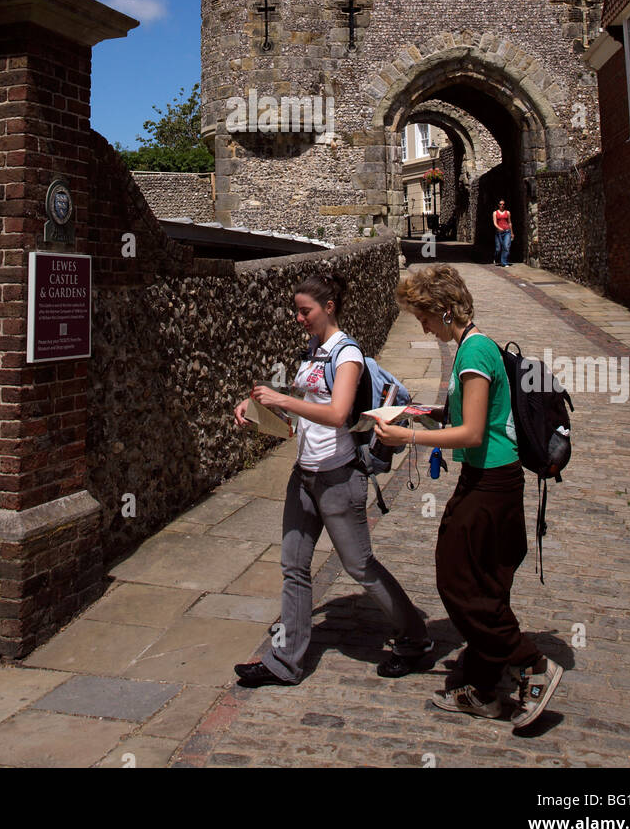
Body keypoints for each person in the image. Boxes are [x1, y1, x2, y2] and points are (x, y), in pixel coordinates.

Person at [371, 264, 563, 728]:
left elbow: (475, 432)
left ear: (445, 310)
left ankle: (532, 664)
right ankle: (482, 688)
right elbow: (466, 415)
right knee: (487, 583)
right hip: (493, 480)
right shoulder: (472, 348)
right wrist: (419, 413)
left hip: (490, 483)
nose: (421, 325)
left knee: (456, 579)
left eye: (424, 316)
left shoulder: (475, 351)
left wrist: (407, 441)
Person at [232, 272, 432, 687]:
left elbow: (338, 413)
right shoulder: (314, 351)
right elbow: (306, 403)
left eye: (305, 311)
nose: (299, 318)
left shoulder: (348, 354)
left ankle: (415, 637)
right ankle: (285, 662)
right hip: (305, 474)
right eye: (297, 311)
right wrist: (258, 403)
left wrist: (283, 398)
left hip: (339, 477)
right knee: (294, 565)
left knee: (359, 566)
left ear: (329, 307)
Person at [493, 198, 513, 266]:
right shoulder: (495, 213)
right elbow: (495, 223)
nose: (502, 205)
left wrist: (512, 233)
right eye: (501, 204)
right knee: (498, 249)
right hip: (498, 233)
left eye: (503, 204)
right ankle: (496, 258)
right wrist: (499, 228)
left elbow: (510, 222)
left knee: (506, 247)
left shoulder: (508, 212)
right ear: (498, 205)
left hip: (507, 231)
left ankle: (504, 262)